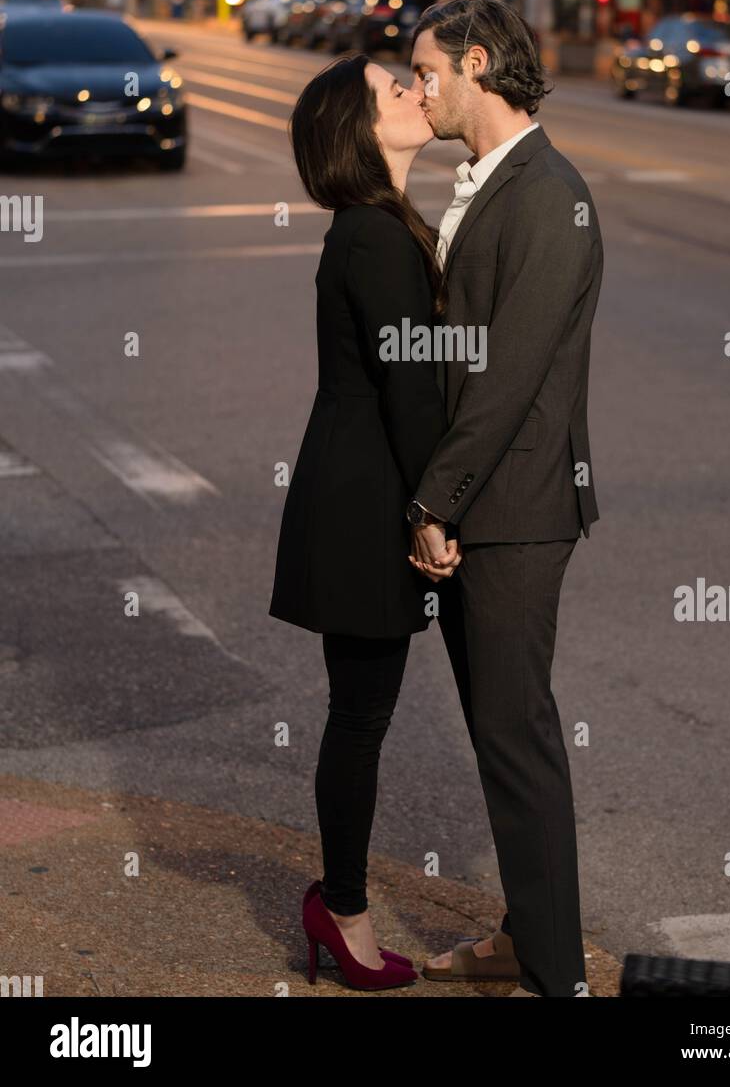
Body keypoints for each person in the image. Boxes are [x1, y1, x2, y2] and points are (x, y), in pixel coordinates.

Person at [406, 0, 604, 998]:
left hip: (517, 508)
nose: (419, 89)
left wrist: (435, 503)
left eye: (429, 71)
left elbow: (509, 372)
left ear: (476, 65)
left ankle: (554, 972)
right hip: (483, 501)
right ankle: (527, 934)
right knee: (497, 729)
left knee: (518, 735)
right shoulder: (485, 180)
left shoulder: (544, 193)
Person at [268, 54, 462, 992]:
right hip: (366, 502)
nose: (415, 93)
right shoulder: (376, 239)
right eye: (396, 89)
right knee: (360, 719)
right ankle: (343, 913)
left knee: (359, 715)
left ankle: (336, 905)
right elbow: (409, 390)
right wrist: (430, 514)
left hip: (356, 488)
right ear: (360, 127)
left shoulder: (375, 229)